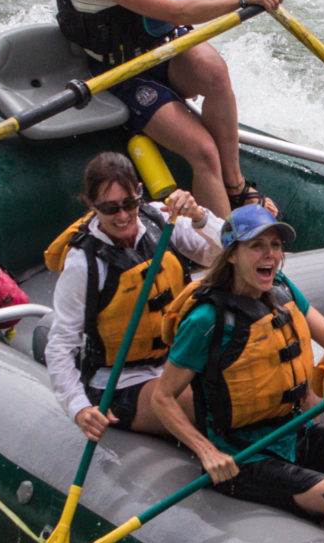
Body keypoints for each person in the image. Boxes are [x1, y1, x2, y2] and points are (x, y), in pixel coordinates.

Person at [56, 0, 283, 218]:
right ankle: (224, 242)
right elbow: (176, 12)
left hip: (156, 50)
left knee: (215, 71)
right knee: (204, 151)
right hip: (120, 73)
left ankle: (235, 186)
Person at [150, 205, 324, 519]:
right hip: (244, 458)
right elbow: (162, 397)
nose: (270, 254)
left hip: (293, 434)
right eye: (257, 245)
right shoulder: (206, 320)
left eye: (275, 245)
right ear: (232, 255)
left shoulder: (282, 288)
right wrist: (206, 451)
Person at [45, 152, 221, 442]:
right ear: (90, 205)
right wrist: (79, 408)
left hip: (177, 362)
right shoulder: (83, 264)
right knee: (213, 402)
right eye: (110, 208)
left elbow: (222, 254)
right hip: (121, 384)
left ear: (139, 191)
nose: (123, 216)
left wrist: (200, 217)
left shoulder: (160, 219)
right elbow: (61, 345)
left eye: (129, 203)